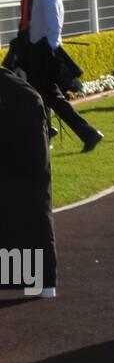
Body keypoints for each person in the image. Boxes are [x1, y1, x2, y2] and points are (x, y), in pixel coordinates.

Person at [9, 0, 103, 153]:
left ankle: (87, 132)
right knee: (40, 94)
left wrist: (49, 49)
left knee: (50, 96)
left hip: (43, 51)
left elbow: (54, 24)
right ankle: (50, 130)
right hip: (36, 50)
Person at [0, 65, 56, 299]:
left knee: (29, 207)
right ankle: (42, 283)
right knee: (32, 206)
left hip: (23, 136)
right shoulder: (15, 85)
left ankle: (41, 281)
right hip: (28, 137)